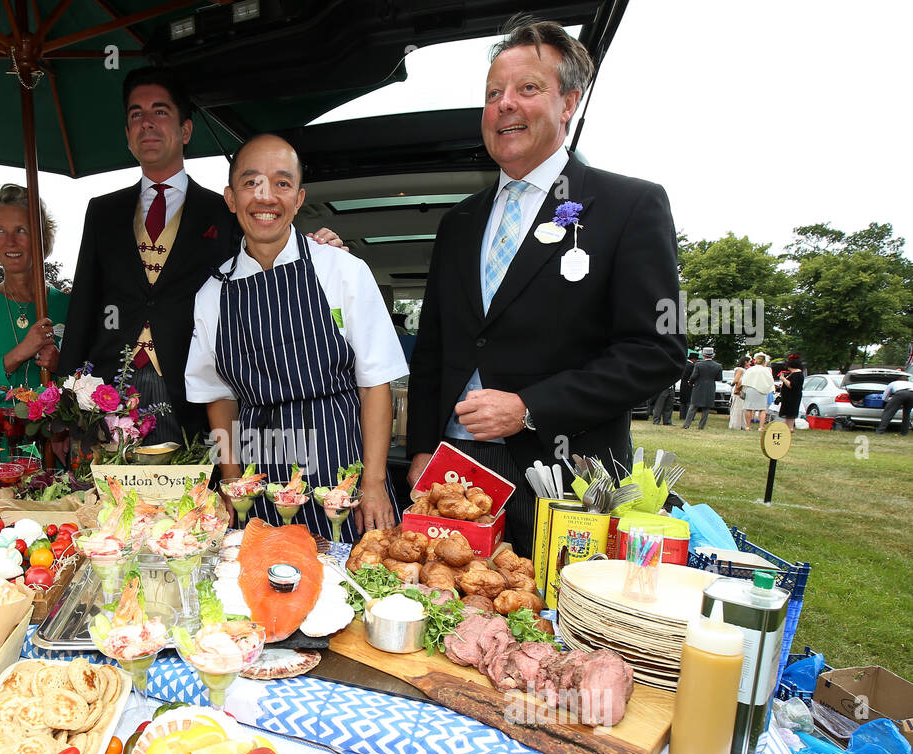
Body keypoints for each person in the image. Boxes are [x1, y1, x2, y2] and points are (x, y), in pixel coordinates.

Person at [405, 20, 685, 556]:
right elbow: (435, 350)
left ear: (569, 103)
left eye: (527, 88)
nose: (505, 104)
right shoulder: (458, 222)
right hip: (453, 475)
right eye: (493, 94)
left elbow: (656, 351)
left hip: (566, 479)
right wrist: (422, 448)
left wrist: (529, 406)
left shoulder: (629, 206)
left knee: (555, 631)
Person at [58, 67, 342, 446]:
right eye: (135, 115)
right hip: (108, 388)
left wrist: (315, 246)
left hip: (191, 389)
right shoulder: (102, 211)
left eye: (160, 112)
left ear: (186, 130)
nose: (147, 124)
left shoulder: (224, 210)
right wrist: (65, 403)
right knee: (107, 500)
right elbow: (83, 305)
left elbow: (263, 258)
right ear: (127, 135)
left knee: (187, 500)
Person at [186, 135, 407, 541]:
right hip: (259, 473)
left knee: (350, 587)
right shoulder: (211, 295)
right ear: (231, 198)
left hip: (341, 470)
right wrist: (234, 485)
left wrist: (374, 483)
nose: (265, 196)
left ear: (300, 197)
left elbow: (375, 383)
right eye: (251, 183)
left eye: (282, 184)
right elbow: (218, 398)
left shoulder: (342, 270)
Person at [0, 184, 68, 404]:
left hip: (55, 437)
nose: (10, 241)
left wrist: (60, 365)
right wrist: (19, 354)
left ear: (41, 236)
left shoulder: (68, 306)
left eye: (21, 230)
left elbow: (91, 382)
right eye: (0, 230)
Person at [683, 347, 723, 430]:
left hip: (698, 386)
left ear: (703, 355)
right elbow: (719, 378)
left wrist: (690, 382)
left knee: (693, 406)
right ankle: (701, 426)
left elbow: (694, 376)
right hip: (710, 387)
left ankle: (686, 425)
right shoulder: (718, 366)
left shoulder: (698, 364)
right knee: (706, 408)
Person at [741, 353, 774, 430]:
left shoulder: (750, 369)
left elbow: (744, 380)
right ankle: (761, 427)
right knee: (762, 409)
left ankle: (748, 426)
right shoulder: (766, 370)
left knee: (748, 408)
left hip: (750, 389)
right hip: (761, 390)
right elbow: (770, 381)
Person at [777, 355, 805, 430]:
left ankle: (790, 428)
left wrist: (783, 379)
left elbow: (791, 385)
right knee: (788, 413)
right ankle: (787, 427)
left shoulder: (797, 374)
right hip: (788, 396)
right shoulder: (794, 374)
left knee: (790, 413)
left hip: (792, 397)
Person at [727, 357, 749, 430]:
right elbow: (736, 379)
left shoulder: (743, 370)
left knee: (741, 408)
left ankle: (740, 424)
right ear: (745, 362)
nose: (750, 363)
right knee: (737, 407)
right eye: (749, 361)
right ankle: (736, 424)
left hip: (741, 389)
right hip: (739, 390)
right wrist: (732, 384)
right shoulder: (740, 369)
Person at [678, 351, 698, 421]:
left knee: (683, 402)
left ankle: (682, 416)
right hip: (689, 385)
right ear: (694, 359)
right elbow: (693, 376)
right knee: (689, 401)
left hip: (683, 384)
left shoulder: (684, 364)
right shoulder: (692, 366)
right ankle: (688, 416)